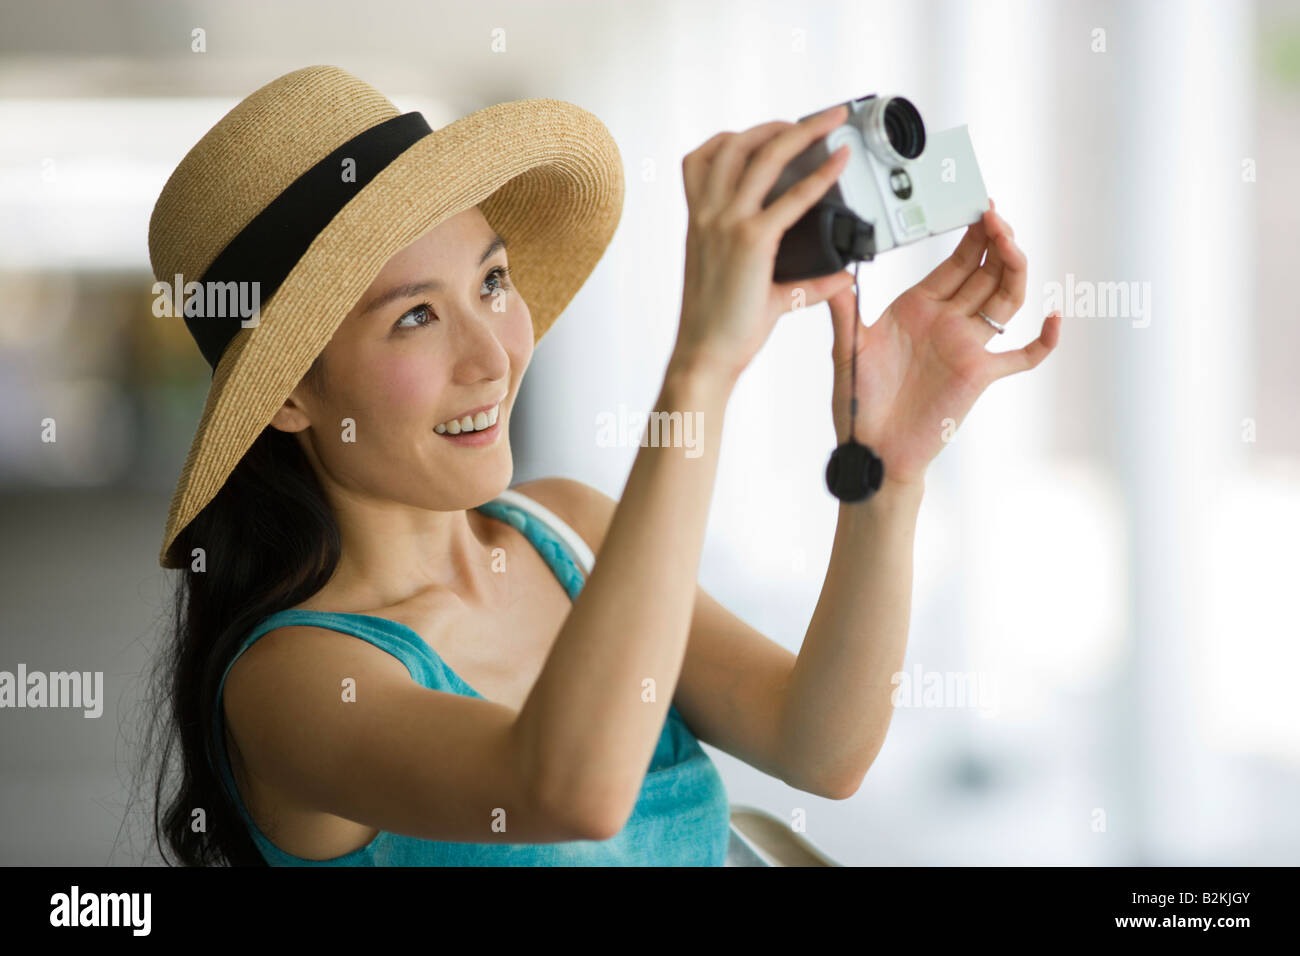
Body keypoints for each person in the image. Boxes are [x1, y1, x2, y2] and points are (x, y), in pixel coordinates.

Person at [140, 66, 1060, 867]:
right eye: (414, 316)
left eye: (492, 283)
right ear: (288, 398)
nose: (492, 357)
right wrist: (699, 366)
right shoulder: (294, 684)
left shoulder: (567, 531)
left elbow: (821, 746)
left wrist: (887, 472)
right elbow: (567, 788)